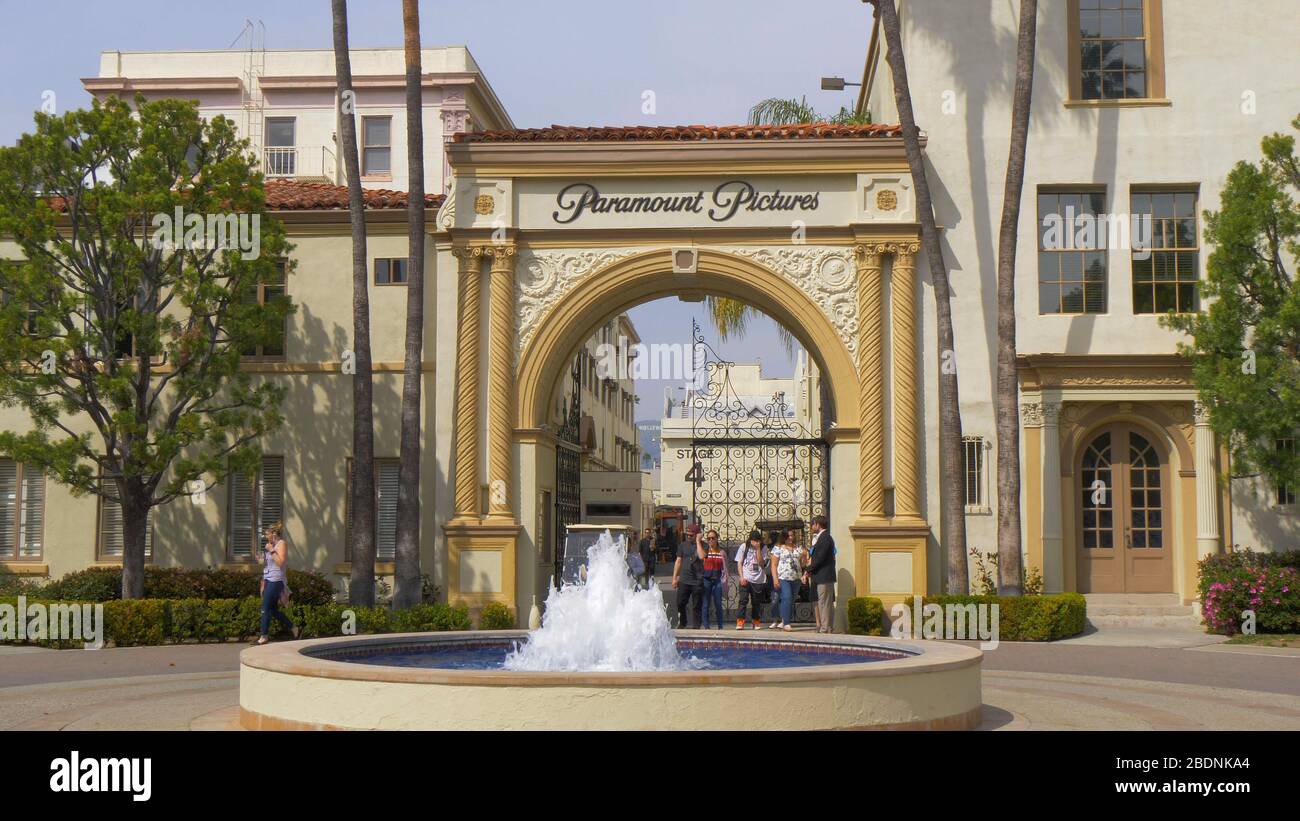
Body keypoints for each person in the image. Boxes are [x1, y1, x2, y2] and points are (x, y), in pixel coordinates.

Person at [256, 522, 298, 645]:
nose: (265, 536)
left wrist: (272, 551)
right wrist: (261, 559)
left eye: (267, 534)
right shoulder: (270, 545)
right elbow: (267, 563)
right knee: (272, 609)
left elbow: (280, 563)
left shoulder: (281, 544)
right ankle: (293, 627)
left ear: (274, 534)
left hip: (277, 580)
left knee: (265, 607)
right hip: (268, 578)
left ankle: (264, 636)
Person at [769, 529, 808, 631]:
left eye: (792, 536)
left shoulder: (798, 548)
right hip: (783, 577)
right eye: (788, 536)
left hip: (796, 578)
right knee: (787, 597)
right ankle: (787, 623)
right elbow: (773, 565)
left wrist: (804, 556)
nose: (791, 538)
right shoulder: (778, 548)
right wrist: (775, 579)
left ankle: (784, 619)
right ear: (784, 537)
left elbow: (803, 564)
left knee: (791, 600)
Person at [805, 515, 836, 634]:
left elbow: (820, 558)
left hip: (824, 576)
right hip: (821, 576)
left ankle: (825, 628)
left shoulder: (825, 538)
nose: (812, 527)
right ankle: (827, 627)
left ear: (818, 524)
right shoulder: (823, 537)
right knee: (825, 602)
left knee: (824, 603)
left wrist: (808, 569)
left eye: (813, 524)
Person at [733, 530, 769, 630]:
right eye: (753, 540)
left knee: (756, 602)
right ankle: (740, 621)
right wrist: (741, 576)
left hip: (758, 579)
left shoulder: (763, 548)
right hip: (746, 577)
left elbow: (762, 564)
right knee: (743, 600)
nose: (755, 542)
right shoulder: (744, 546)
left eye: (757, 540)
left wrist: (758, 549)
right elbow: (739, 562)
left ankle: (756, 621)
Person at [672, 524, 704, 629]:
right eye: (687, 535)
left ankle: (696, 626)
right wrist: (674, 578)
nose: (689, 537)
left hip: (697, 581)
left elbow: (702, 556)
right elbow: (678, 561)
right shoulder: (682, 545)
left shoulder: (703, 545)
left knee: (697, 606)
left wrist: (698, 542)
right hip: (684, 580)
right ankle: (683, 622)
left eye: (691, 535)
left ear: (697, 535)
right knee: (680, 603)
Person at [697, 529, 729, 629]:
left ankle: (720, 626)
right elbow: (701, 557)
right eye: (709, 538)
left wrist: (725, 582)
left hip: (717, 580)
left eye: (713, 538)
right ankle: (706, 627)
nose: (711, 540)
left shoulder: (722, 552)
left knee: (718, 604)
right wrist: (698, 541)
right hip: (706, 580)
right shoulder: (706, 551)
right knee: (706, 604)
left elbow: (726, 568)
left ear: (716, 539)